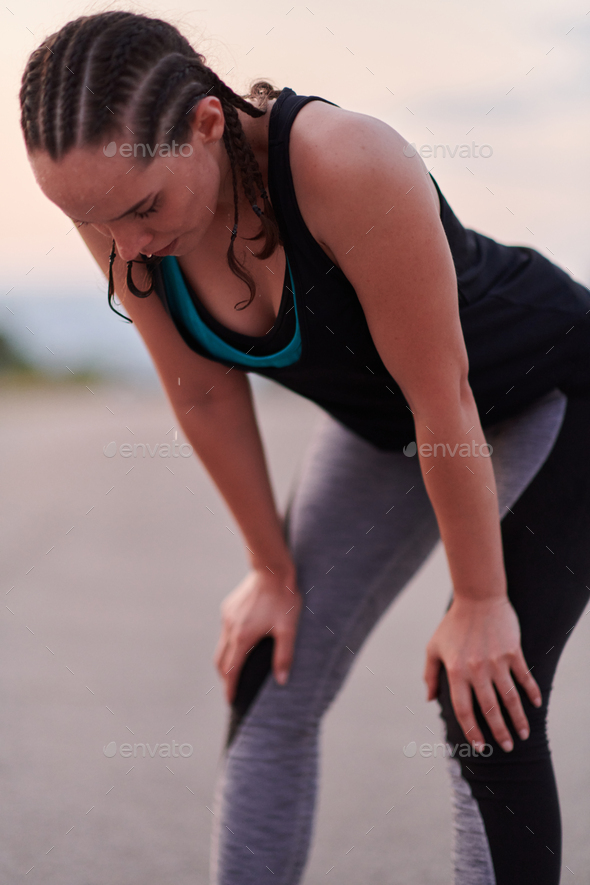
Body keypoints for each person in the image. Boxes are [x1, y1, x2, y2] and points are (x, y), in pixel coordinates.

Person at [19, 10, 590, 885]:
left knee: (488, 699)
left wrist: (479, 599)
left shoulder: (345, 162)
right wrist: (269, 571)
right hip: (396, 427)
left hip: (545, 392)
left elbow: (444, 399)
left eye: (141, 210)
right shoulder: (117, 205)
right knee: (269, 666)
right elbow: (205, 391)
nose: (123, 246)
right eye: (93, 220)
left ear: (207, 124)